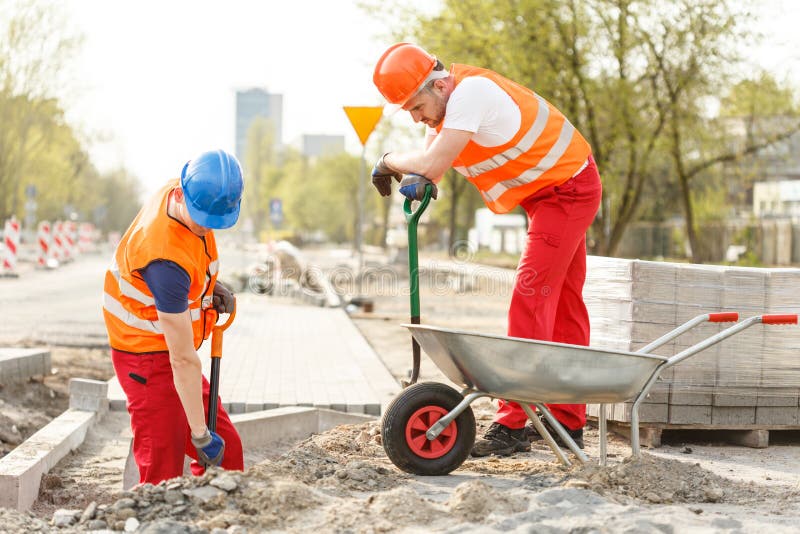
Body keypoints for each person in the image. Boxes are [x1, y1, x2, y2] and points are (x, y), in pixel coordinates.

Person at [371, 43, 602, 456]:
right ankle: (568, 421)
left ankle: (513, 423)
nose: (416, 116)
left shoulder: (471, 95)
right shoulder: (444, 110)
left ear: (440, 85)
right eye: (408, 111)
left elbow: (431, 165)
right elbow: (427, 159)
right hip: (548, 193)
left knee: (530, 298)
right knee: (564, 303)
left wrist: (388, 161)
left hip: (568, 192)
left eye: (416, 106)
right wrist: (416, 170)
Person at [102, 149, 245, 484]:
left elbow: (191, 260)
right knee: (162, 470)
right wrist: (200, 435)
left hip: (170, 350)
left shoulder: (189, 191)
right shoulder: (164, 262)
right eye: (203, 219)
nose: (206, 228)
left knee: (229, 455)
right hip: (146, 360)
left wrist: (212, 288)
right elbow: (182, 360)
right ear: (181, 195)